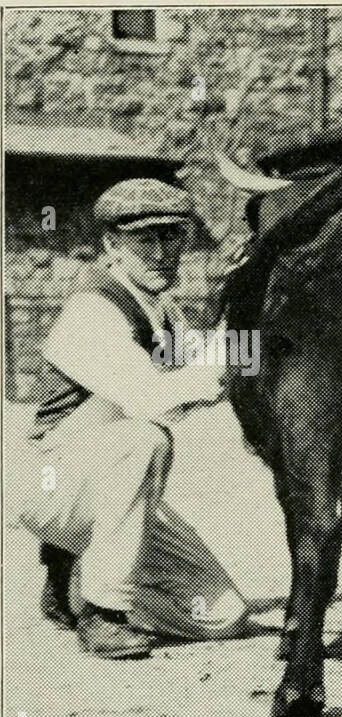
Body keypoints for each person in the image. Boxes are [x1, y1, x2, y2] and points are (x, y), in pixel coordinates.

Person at [20, 178, 250, 659]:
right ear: (112, 246)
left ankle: (71, 577)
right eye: (147, 239)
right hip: (49, 484)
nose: (164, 252)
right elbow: (152, 398)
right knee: (144, 438)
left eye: (174, 237)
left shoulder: (161, 309)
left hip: (109, 489)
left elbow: (210, 358)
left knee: (224, 614)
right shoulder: (92, 309)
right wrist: (219, 368)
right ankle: (102, 613)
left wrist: (249, 306)